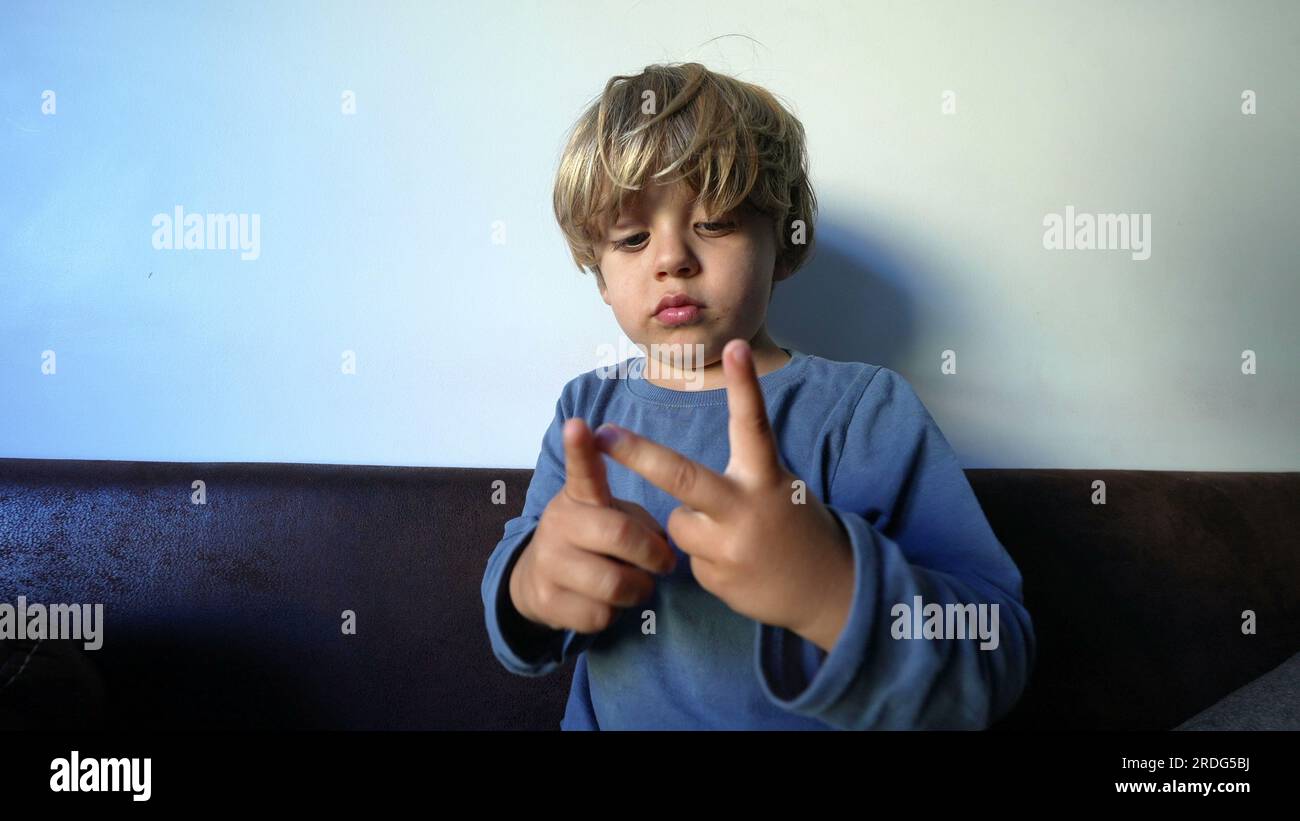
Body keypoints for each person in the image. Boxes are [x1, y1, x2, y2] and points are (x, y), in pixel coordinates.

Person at [481, 62, 1035, 729]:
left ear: (785, 241)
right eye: (631, 238)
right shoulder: (585, 410)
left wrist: (831, 589)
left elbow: (994, 647)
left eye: (714, 222)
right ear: (601, 278)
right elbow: (520, 595)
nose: (672, 258)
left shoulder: (865, 411)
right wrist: (534, 584)